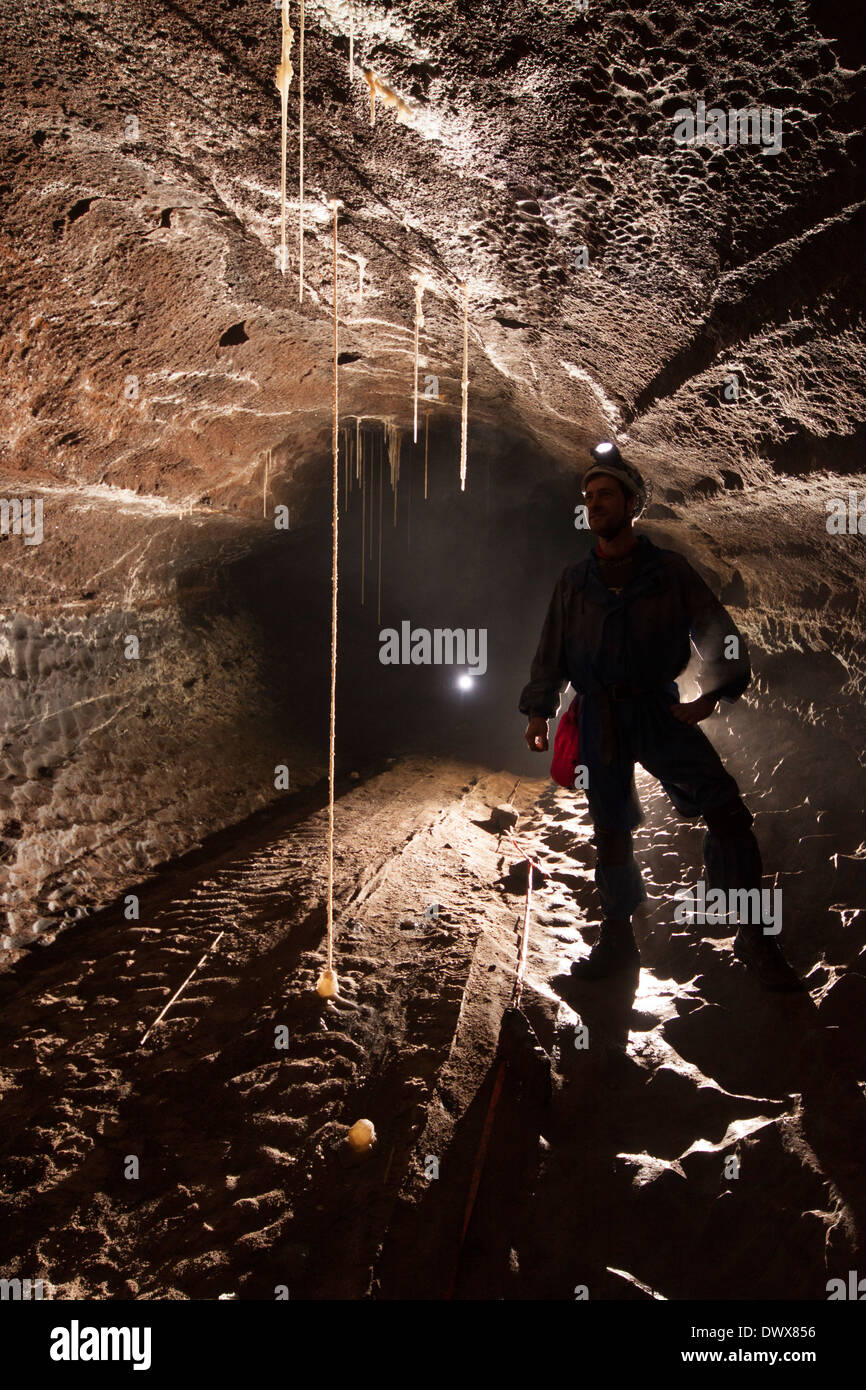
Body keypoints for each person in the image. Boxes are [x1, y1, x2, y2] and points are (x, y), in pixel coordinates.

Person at [519, 441, 803, 992]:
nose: (594, 504)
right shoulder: (574, 581)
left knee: (724, 806)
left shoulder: (670, 572)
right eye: (589, 496)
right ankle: (618, 941)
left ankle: (752, 931)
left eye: (605, 495)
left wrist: (712, 696)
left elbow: (718, 634)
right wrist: (539, 708)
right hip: (599, 715)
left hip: (656, 707)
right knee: (612, 830)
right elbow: (551, 648)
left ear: (632, 505)